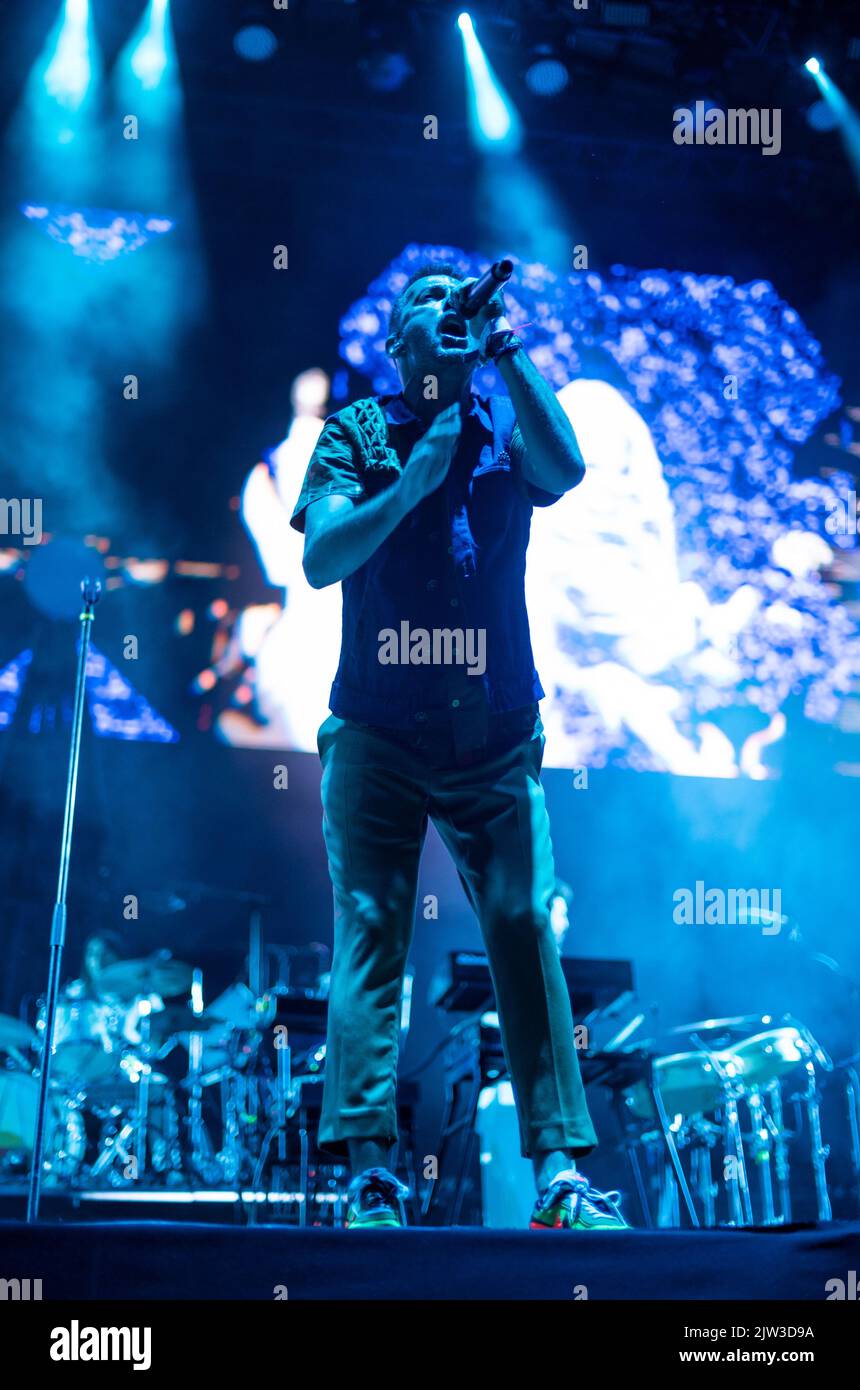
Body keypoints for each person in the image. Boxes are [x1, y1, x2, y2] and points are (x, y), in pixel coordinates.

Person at [290, 261, 628, 1231]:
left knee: (525, 924)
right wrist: (413, 484)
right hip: (377, 732)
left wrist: (510, 350)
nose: (449, 311)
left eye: (458, 302)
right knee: (373, 933)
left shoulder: (499, 420)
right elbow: (319, 560)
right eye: (425, 305)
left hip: (493, 734)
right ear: (397, 345)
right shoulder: (357, 431)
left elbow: (564, 469)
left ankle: (561, 1177)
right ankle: (369, 1175)